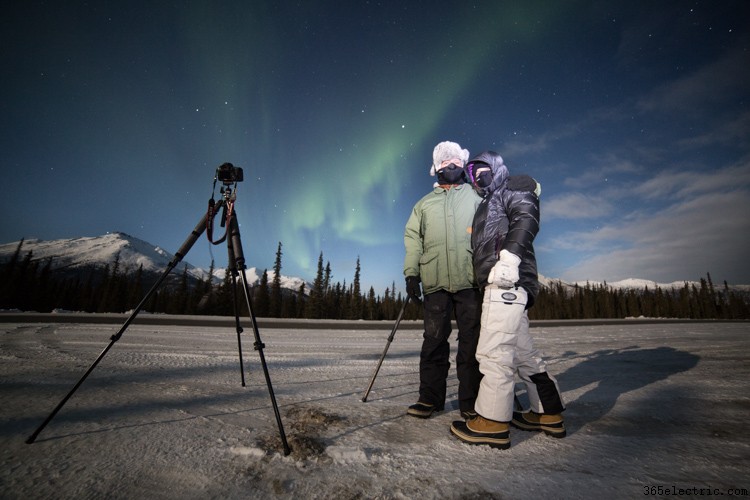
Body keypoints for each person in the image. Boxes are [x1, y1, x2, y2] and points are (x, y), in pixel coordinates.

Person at [450, 150, 565, 450]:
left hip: (506, 281)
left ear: (498, 168)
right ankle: (548, 412)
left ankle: (492, 421)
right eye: (473, 174)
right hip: (503, 284)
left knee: (494, 352)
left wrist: (509, 259)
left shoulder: (511, 188)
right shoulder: (489, 202)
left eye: (483, 170)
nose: (478, 177)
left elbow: (527, 217)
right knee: (523, 353)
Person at [403, 141, 483, 419]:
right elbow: (413, 240)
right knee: (434, 341)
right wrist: (411, 273)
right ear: (437, 167)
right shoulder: (424, 205)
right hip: (435, 281)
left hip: (470, 280)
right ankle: (430, 399)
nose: (452, 167)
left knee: (471, 344)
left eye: (457, 163)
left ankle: (472, 402)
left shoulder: (476, 197)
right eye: (446, 163)